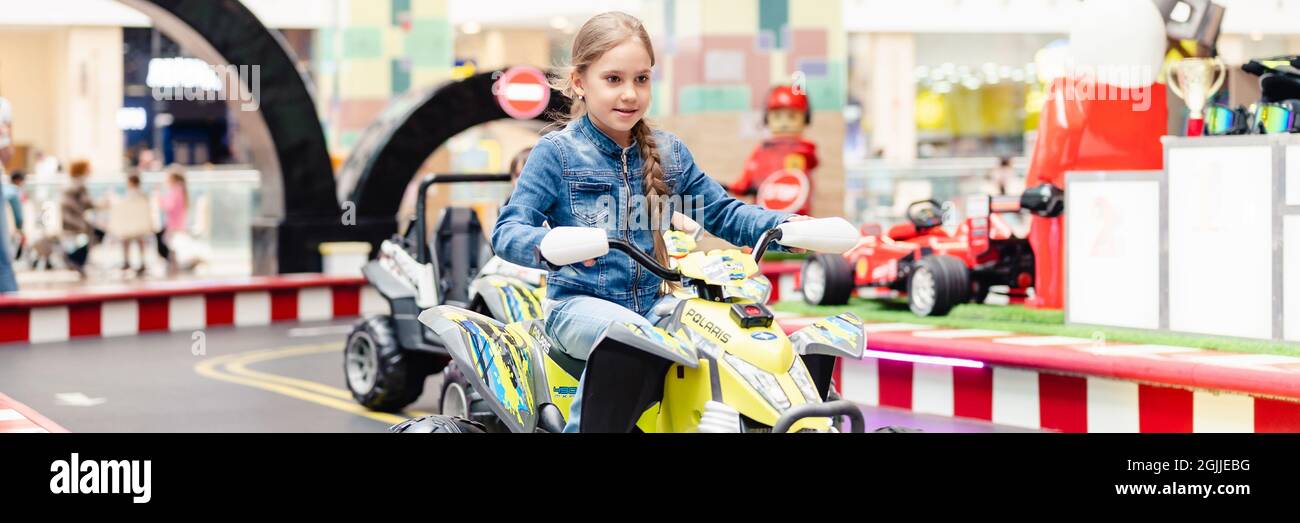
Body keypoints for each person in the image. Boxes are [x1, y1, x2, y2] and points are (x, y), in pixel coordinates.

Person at [493, 12, 809, 433]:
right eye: (613, 79)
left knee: (727, 335)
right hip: (576, 308)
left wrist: (792, 227)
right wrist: (549, 245)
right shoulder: (557, 153)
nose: (629, 93)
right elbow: (508, 230)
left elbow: (722, 212)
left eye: (641, 79)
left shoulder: (669, 152)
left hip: (654, 304)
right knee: (633, 338)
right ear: (579, 82)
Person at [61, 160, 99, 279]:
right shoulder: (80, 184)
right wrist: (103, 203)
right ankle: (74, 260)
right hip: (76, 221)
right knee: (94, 235)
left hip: (67, 219)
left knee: (85, 240)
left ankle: (74, 260)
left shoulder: (70, 182)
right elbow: (88, 203)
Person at [110, 173, 153, 275]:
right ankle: (141, 262)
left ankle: (127, 261)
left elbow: (123, 208)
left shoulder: (130, 195)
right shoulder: (144, 195)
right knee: (139, 241)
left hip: (131, 225)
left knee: (126, 241)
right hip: (140, 225)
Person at [158, 164, 189, 274]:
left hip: (174, 224)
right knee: (171, 246)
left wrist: (159, 197)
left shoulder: (176, 191)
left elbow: (168, 206)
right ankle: (173, 265)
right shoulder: (181, 190)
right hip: (178, 223)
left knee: (168, 244)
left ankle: (173, 266)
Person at [0, 96, 16, 292]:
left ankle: (14, 315)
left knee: (3, 255)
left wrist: (4, 135)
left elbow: (7, 155)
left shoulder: (3, 107)